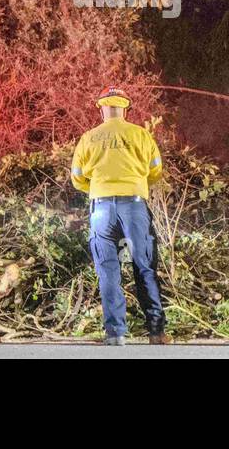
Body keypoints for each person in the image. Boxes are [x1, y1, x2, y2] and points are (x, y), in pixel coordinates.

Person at [70, 87, 167, 345]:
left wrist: (98, 189)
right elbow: (156, 171)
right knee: (144, 266)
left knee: (108, 270)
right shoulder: (141, 135)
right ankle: (156, 332)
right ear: (125, 108)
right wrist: (137, 184)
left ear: (102, 108)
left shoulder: (89, 138)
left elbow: (77, 177)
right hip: (134, 206)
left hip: (101, 208)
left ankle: (116, 334)